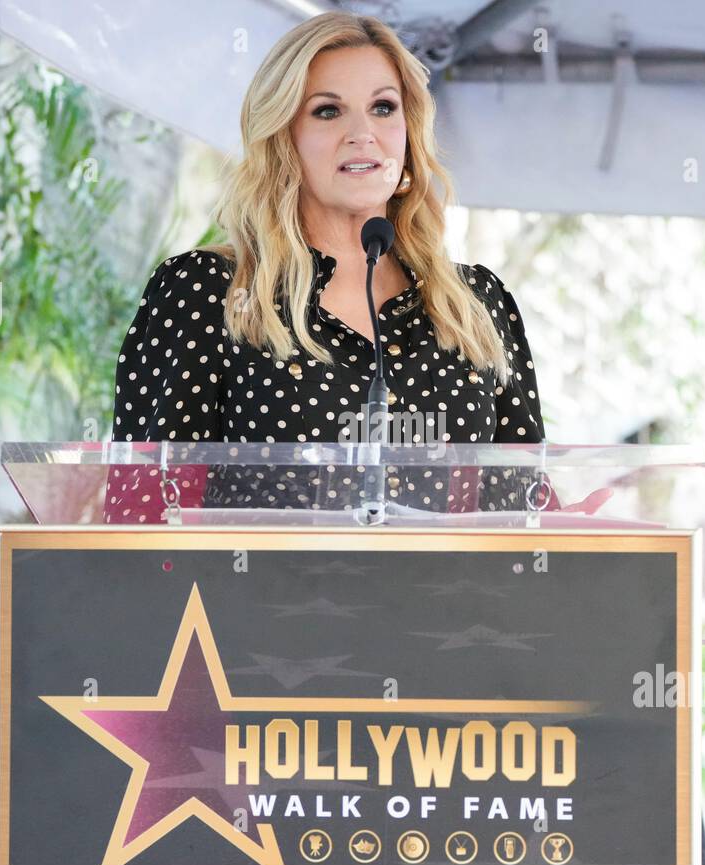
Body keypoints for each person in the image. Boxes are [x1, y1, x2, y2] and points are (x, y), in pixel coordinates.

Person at [105, 11, 549, 522]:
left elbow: (524, 513)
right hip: (260, 600)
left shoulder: (476, 302)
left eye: (384, 108)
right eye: (327, 111)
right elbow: (143, 516)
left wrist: (589, 528)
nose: (363, 134)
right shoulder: (207, 292)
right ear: (283, 135)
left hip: (450, 602)